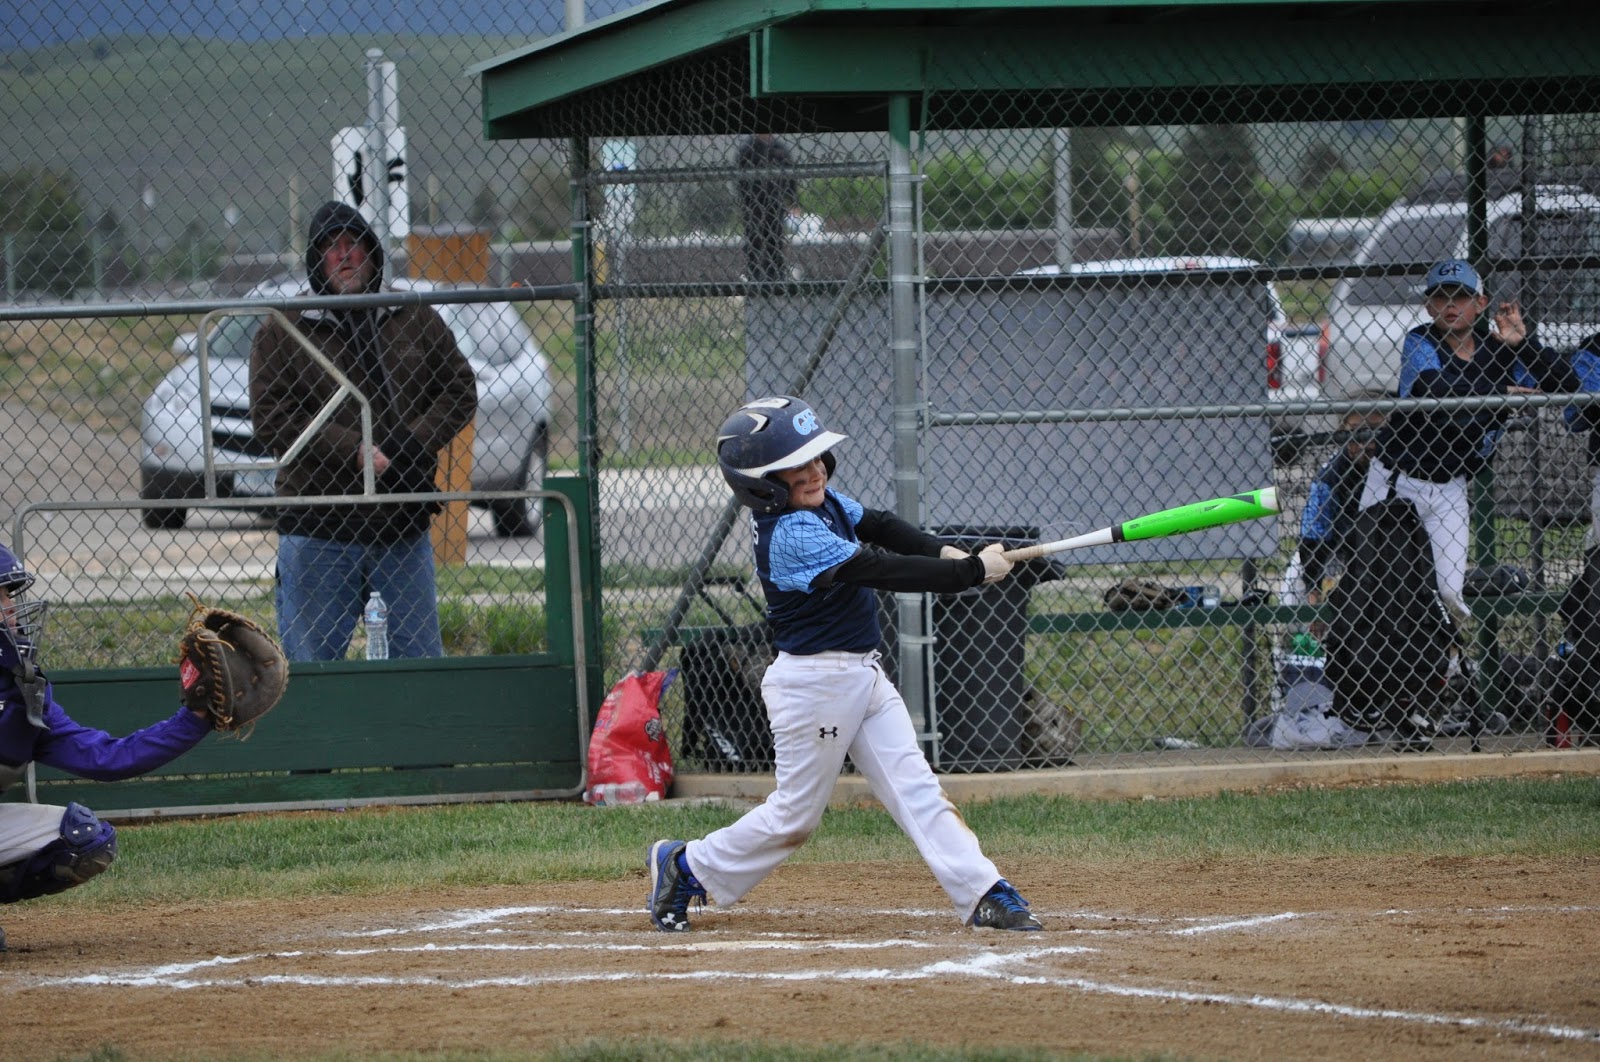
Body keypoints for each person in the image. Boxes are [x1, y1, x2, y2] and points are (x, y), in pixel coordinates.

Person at [647, 395, 1043, 933]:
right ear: (761, 482)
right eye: (796, 467)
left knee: (916, 786)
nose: (814, 472)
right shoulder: (790, 534)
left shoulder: (822, 503)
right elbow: (878, 568)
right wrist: (968, 573)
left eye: (817, 459)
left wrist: (944, 551)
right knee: (795, 818)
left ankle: (982, 892)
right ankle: (685, 865)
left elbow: (878, 524)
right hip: (815, 686)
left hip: (862, 674)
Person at [251, 202, 477, 662]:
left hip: (400, 525)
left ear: (373, 252)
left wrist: (408, 445)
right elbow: (272, 416)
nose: (345, 255)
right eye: (330, 247)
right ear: (316, 261)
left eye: (353, 243)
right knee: (312, 670)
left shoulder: (413, 315)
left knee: (418, 666)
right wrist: (354, 451)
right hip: (319, 522)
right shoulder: (285, 328)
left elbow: (459, 388)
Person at [0, 542, 213, 951]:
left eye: (11, 595)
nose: (12, 609)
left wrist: (195, 720)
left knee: (83, 839)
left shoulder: (23, 691)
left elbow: (108, 758)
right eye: (2, 596)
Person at [1359, 258, 1579, 622]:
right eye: (1441, 297)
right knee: (1376, 578)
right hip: (1398, 479)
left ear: (1480, 304)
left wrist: (1523, 344)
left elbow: (1566, 383)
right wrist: (1500, 393)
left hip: (1451, 488)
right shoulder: (1421, 340)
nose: (1450, 305)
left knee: (1449, 591)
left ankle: (1443, 666)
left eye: (1461, 297)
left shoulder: (1499, 351)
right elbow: (1435, 388)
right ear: (1428, 306)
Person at [1280, 411, 1385, 610]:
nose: (1366, 442)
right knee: (1292, 593)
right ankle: (1290, 639)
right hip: (1335, 550)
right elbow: (1313, 538)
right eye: (1357, 432)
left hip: (1383, 551)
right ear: (1343, 433)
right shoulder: (1331, 477)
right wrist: (1314, 593)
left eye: (1375, 430)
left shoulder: (1395, 467)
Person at [734, 133, 798, 283]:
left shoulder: (779, 148)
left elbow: (791, 177)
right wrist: (744, 201)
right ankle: (753, 272)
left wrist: (793, 201)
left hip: (775, 202)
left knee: (775, 238)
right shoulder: (748, 149)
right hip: (753, 203)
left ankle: (775, 273)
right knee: (753, 238)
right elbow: (740, 181)